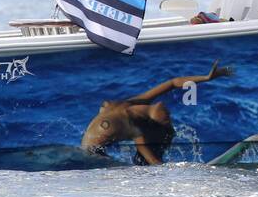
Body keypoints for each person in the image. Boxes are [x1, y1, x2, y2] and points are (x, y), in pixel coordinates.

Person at [80, 61, 233, 165]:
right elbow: (152, 160)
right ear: (149, 120)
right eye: (166, 121)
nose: (170, 122)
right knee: (145, 167)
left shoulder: (136, 103)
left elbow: (173, 83)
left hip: (94, 147)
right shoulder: (133, 126)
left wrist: (206, 77)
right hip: (93, 155)